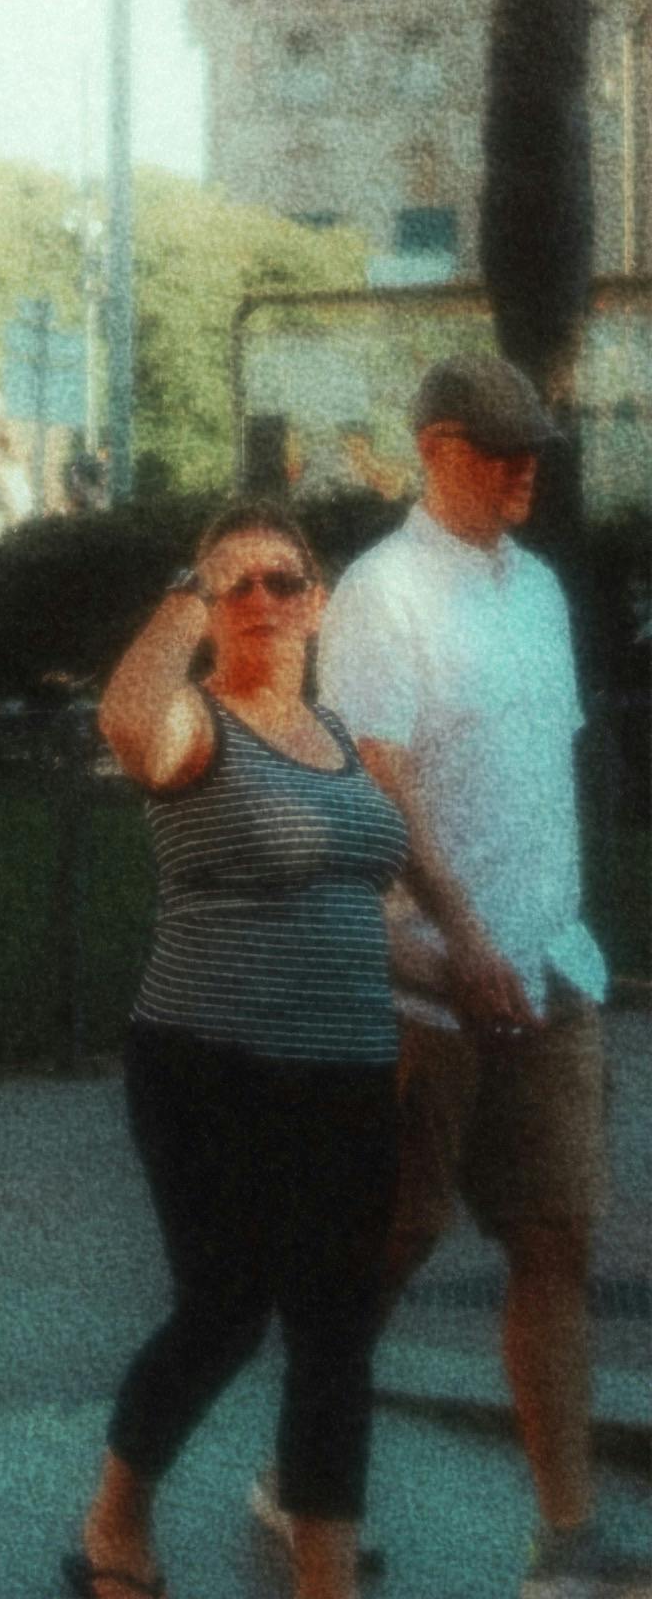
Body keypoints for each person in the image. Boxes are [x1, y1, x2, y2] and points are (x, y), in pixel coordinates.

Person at [322, 354, 629, 1597]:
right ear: (436, 448)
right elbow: (379, 784)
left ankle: (567, 1541)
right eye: (501, 451)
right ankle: (303, 1476)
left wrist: (541, 937)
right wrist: (460, 939)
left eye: (534, 451)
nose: (525, 472)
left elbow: (536, 774)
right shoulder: (381, 595)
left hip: (549, 968)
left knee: (556, 1237)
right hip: (425, 985)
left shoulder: (539, 591)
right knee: (389, 1242)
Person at [68, 501, 412, 1599]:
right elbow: (126, 721)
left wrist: (475, 974)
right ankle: (116, 1517)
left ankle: (326, 1585)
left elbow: (366, 904)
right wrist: (188, 589)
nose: (263, 599)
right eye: (237, 584)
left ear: (317, 603)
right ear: (209, 609)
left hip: (350, 1074)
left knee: (335, 1335)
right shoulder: (194, 726)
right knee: (222, 1314)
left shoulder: (345, 742)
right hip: (211, 1070)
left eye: (283, 581)